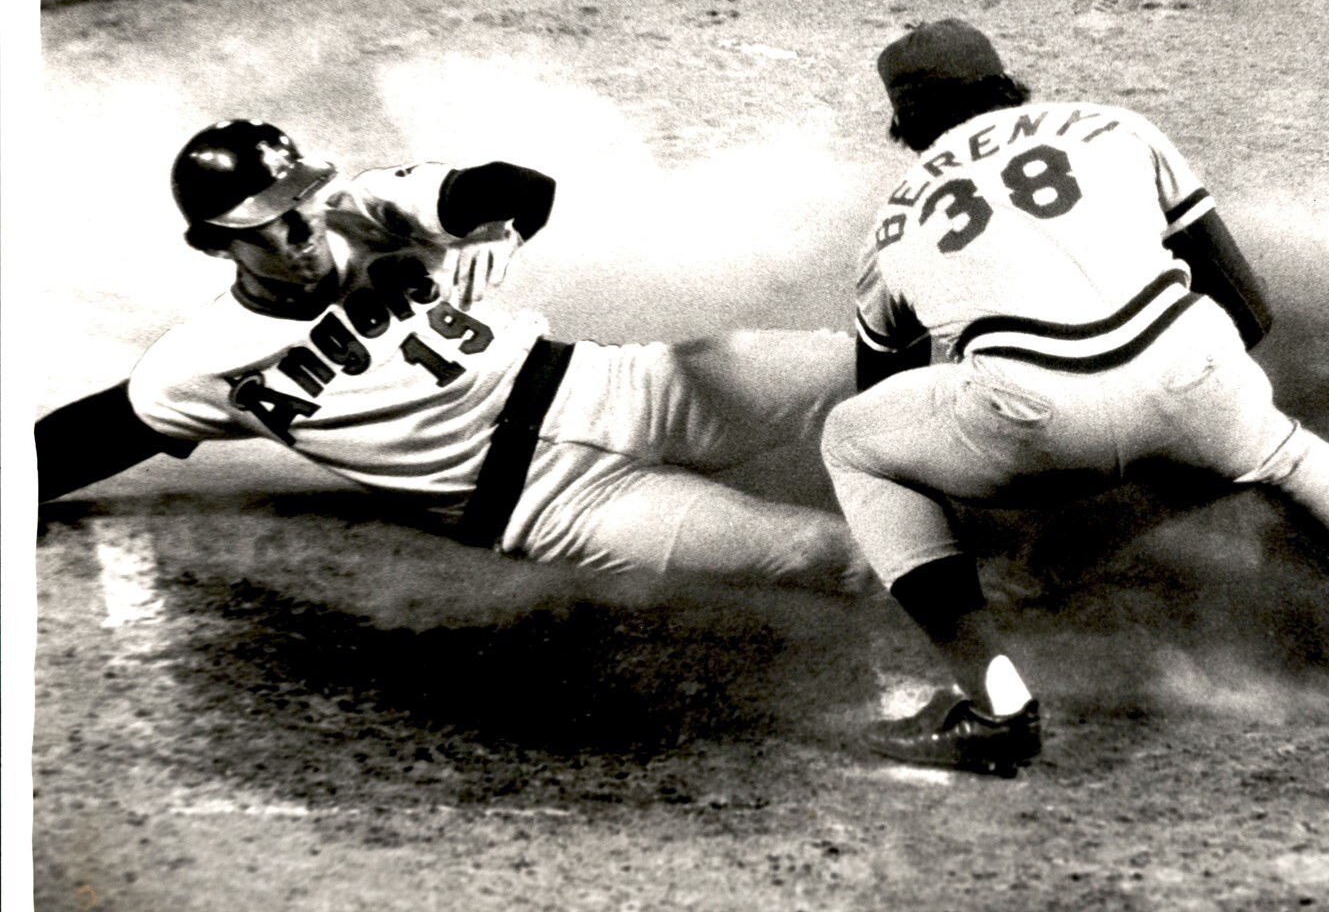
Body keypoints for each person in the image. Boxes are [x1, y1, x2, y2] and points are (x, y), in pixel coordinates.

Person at [820, 20, 1329, 776]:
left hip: (1034, 426)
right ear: (1004, 84)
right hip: (1196, 381)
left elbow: (890, 392)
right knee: (1284, 455)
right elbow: (1250, 309)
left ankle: (992, 705)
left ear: (905, 124)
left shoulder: (893, 219)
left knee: (851, 440)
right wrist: (1185, 441)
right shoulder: (1117, 128)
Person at [35, 119, 863, 591]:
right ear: (214, 244)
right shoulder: (202, 364)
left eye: (305, 204)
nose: (303, 232)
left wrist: (507, 227)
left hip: (625, 386)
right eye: (270, 224)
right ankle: (992, 658)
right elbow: (78, 442)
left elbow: (516, 183)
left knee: (872, 366)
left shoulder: (365, 211)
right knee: (826, 556)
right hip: (552, 507)